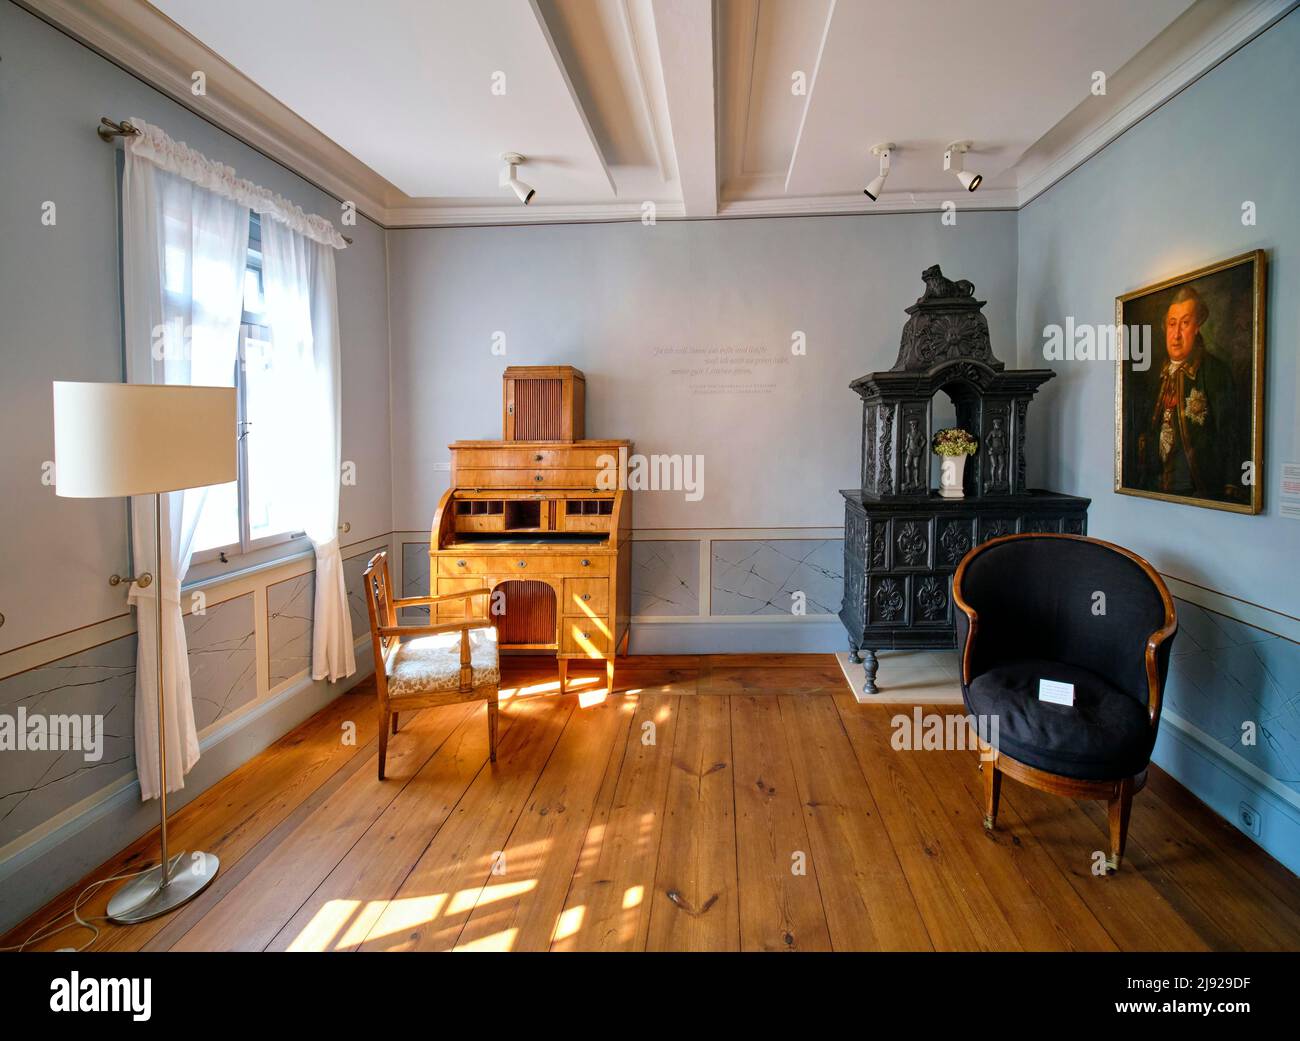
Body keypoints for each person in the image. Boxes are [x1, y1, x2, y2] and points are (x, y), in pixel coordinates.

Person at [1136, 286, 1240, 501]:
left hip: (1197, 494)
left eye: (1185, 323)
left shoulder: (1215, 373)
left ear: (1197, 327)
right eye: (1172, 324)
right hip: (1152, 492)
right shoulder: (1155, 375)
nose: (1176, 334)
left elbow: (1231, 438)